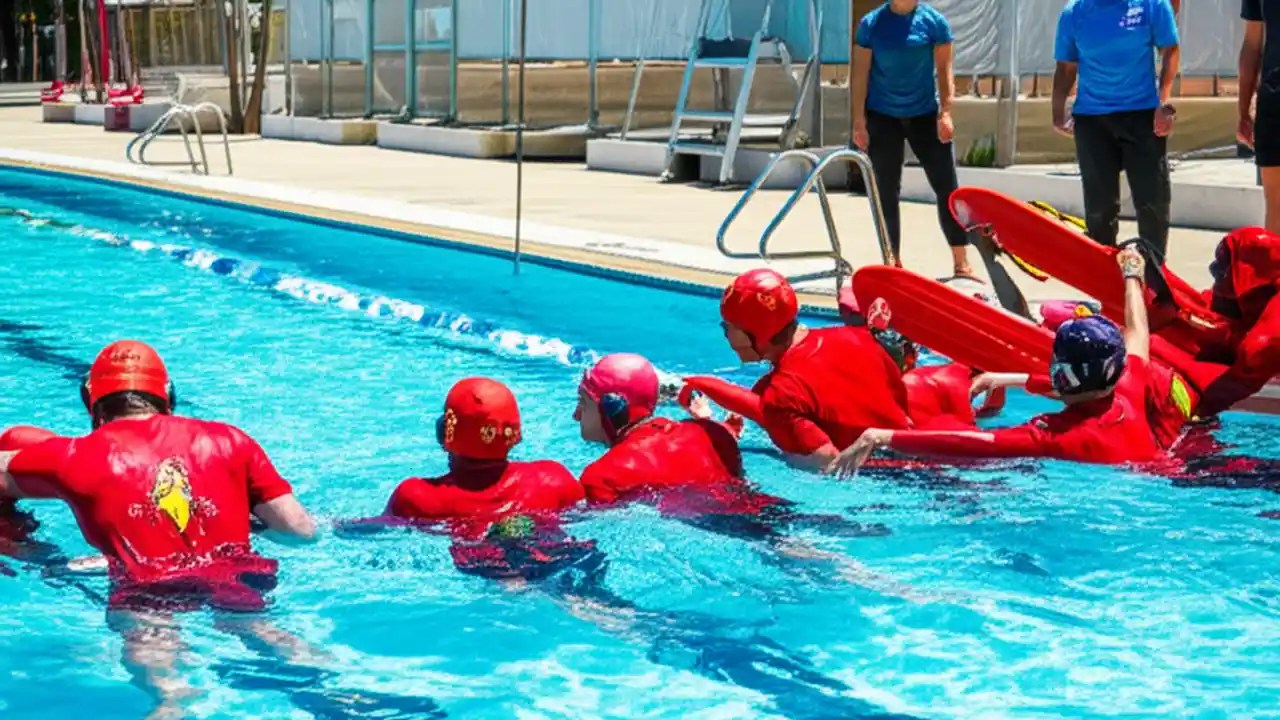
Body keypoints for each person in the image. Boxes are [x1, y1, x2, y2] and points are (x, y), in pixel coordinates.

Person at [830, 245, 1164, 471]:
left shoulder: (1059, 436)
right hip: (1164, 474)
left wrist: (883, 437)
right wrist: (1133, 273)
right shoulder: (1129, 388)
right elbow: (1137, 331)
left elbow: (979, 443)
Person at [717, 268, 911, 470]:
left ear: (756, 331)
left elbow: (828, 468)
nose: (726, 334)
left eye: (728, 326)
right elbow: (901, 409)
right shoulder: (858, 337)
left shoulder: (779, 398)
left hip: (884, 481)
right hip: (918, 455)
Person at [850, 0, 975, 279]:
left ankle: (961, 261)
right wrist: (859, 120)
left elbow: (945, 71)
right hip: (883, 116)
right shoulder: (871, 24)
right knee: (886, 189)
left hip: (924, 115)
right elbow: (860, 75)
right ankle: (892, 258)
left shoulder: (933, 23)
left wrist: (946, 113)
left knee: (948, 187)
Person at [1052, 0, 1180, 262]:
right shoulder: (1074, 13)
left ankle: (1155, 282)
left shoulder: (1151, 5)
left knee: (1152, 203)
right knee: (1099, 209)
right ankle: (1104, 283)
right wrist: (1057, 111)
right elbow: (1066, 67)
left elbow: (1170, 50)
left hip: (1142, 116)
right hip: (1092, 119)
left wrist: (1163, 101)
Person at [385, 376, 585, 540]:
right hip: (557, 553)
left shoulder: (417, 497)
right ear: (513, 434)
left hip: (489, 566)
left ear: (446, 432)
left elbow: (376, 530)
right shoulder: (554, 480)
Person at [1239, 0, 1280, 233]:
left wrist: (1243, 112)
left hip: (1274, 94)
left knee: (1276, 207)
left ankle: (1275, 268)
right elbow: (1251, 46)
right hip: (1274, 97)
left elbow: (1252, 45)